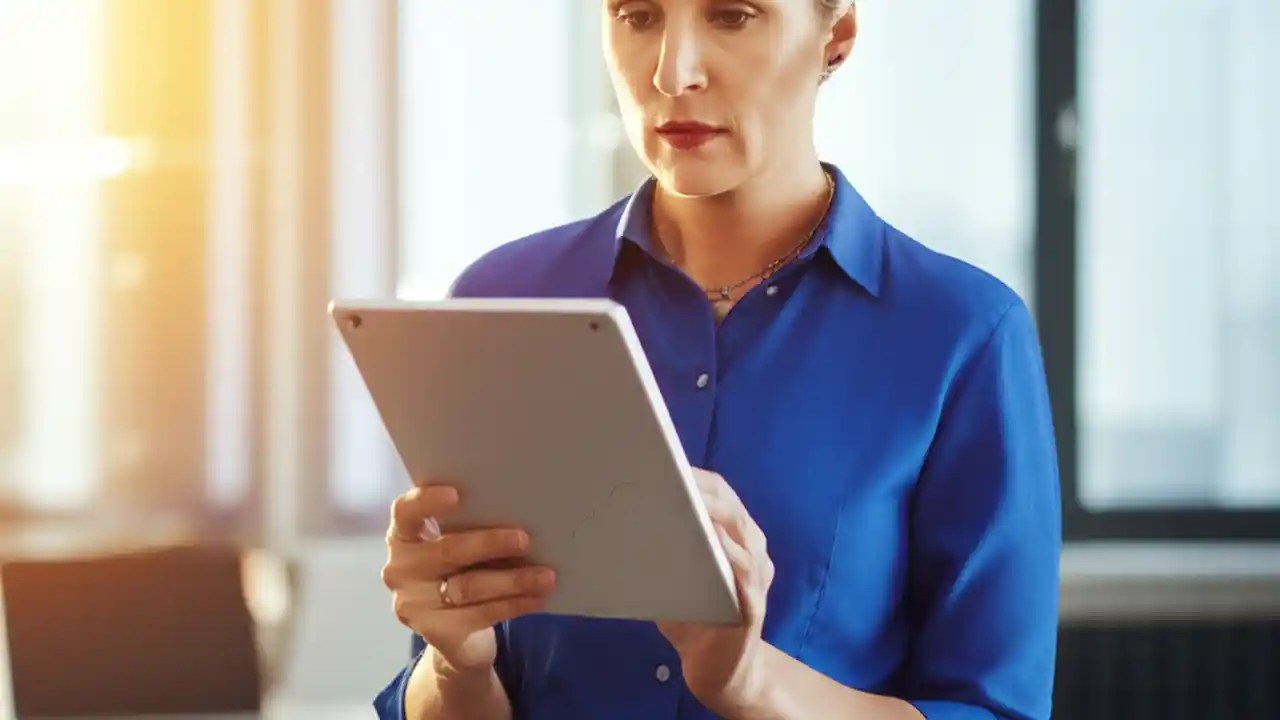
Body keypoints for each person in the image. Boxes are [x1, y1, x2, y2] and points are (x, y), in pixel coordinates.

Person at [375, 0, 1061, 718]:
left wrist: (752, 685)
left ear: (839, 34)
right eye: (638, 17)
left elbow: (991, 709)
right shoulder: (498, 303)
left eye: (732, 16)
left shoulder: (964, 335)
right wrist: (455, 662)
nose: (674, 72)